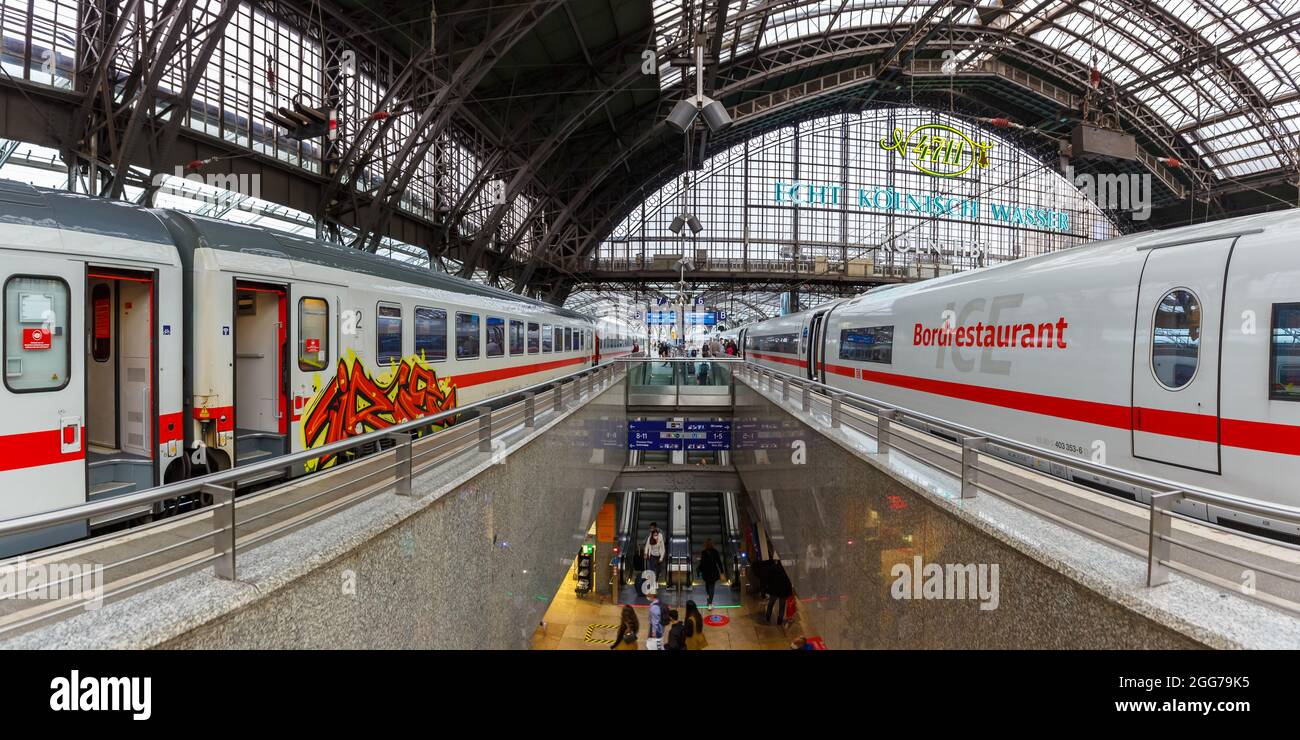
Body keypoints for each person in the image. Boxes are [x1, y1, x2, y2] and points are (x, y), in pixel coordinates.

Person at [761, 559, 794, 625]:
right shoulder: (786, 570)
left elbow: (768, 578)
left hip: (774, 590)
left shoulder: (773, 568)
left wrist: (766, 588)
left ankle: (768, 617)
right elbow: (789, 582)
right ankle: (779, 620)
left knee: (771, 604)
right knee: (782, 606)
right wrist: (790, 592)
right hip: (783, 591)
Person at [696, 538, 726, 609]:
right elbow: (719, 562)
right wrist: (722, 572)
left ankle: (708, 597)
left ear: (705, 545)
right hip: (713, 572)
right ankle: (710, 604)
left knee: (707, 585)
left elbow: (702, 563)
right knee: (712, 587)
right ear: (712, 544)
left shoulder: (703, 552)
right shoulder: (715, 552)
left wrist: (699, 569)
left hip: (706, 573)